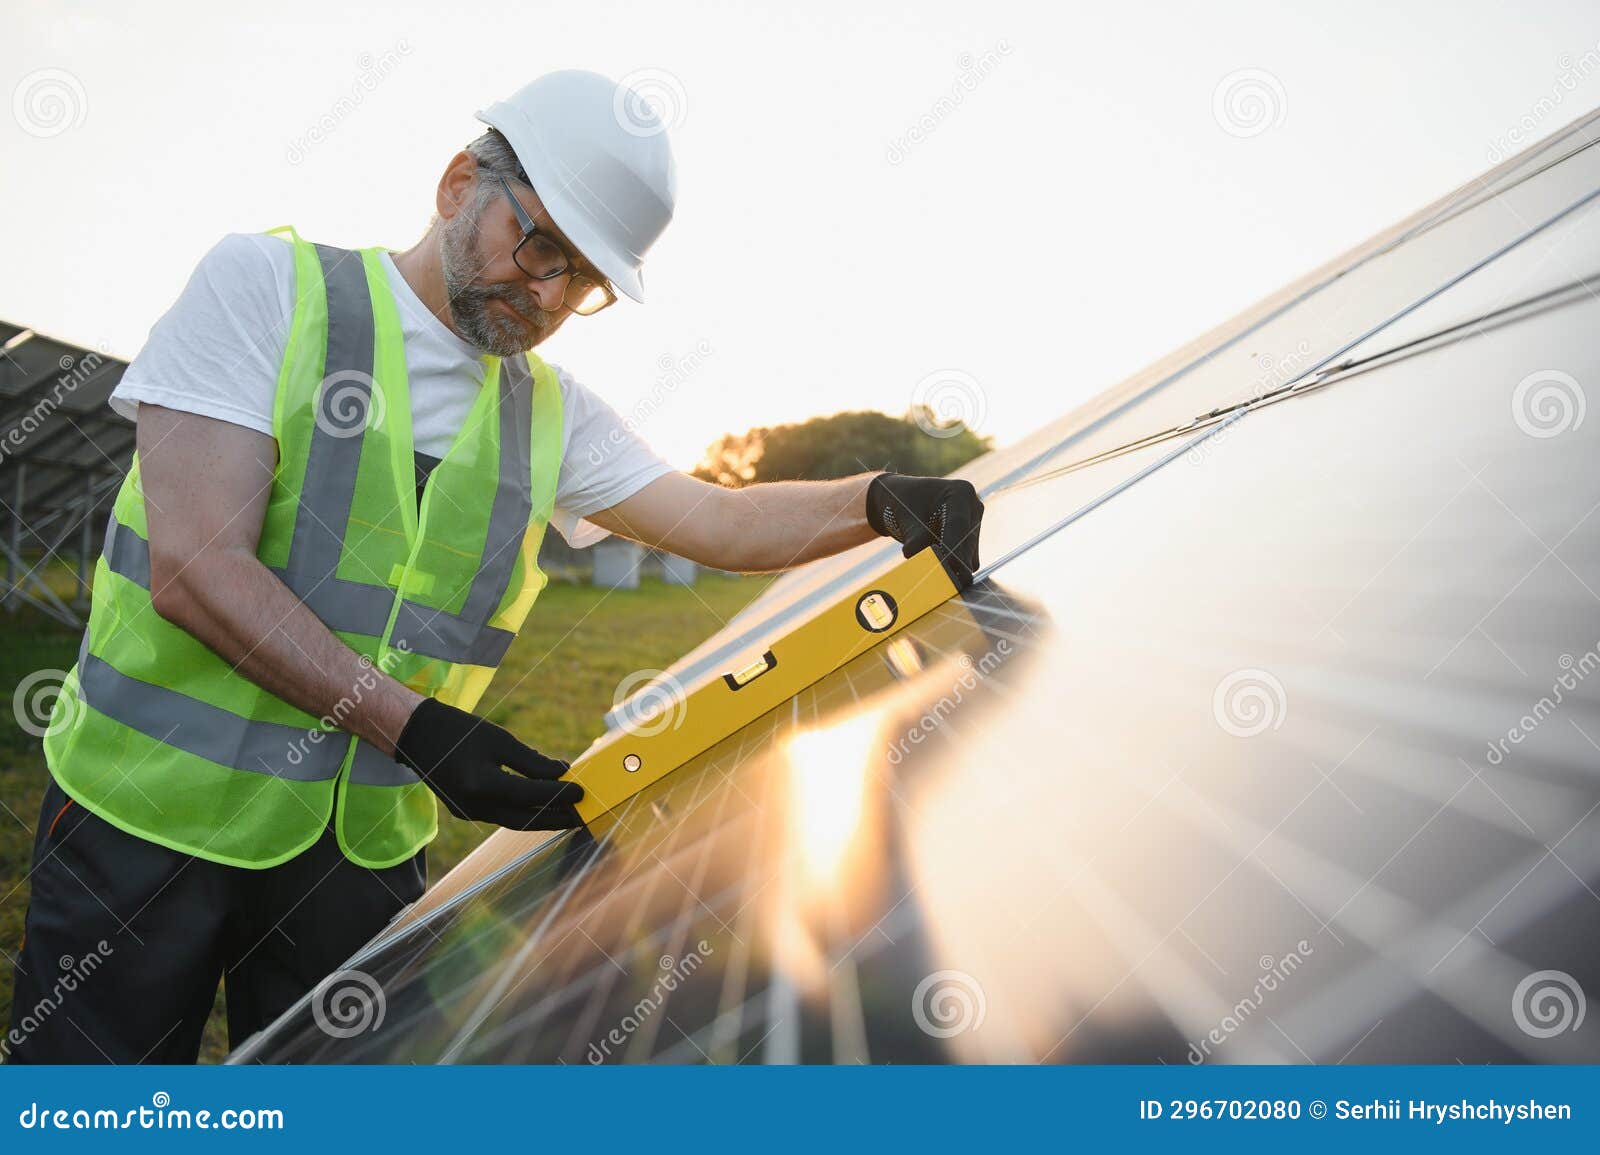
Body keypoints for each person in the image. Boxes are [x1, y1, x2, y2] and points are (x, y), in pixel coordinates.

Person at [5, 70, 982, 1064]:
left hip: (358, 854)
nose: (550, 294)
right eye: (542, 245)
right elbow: (198, 568)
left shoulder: (549, 415)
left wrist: (871, 500)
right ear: (456, 185)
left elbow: (717, 522)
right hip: (145, 822)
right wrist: (417, 729)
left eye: (584, 282)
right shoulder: (267, 291)